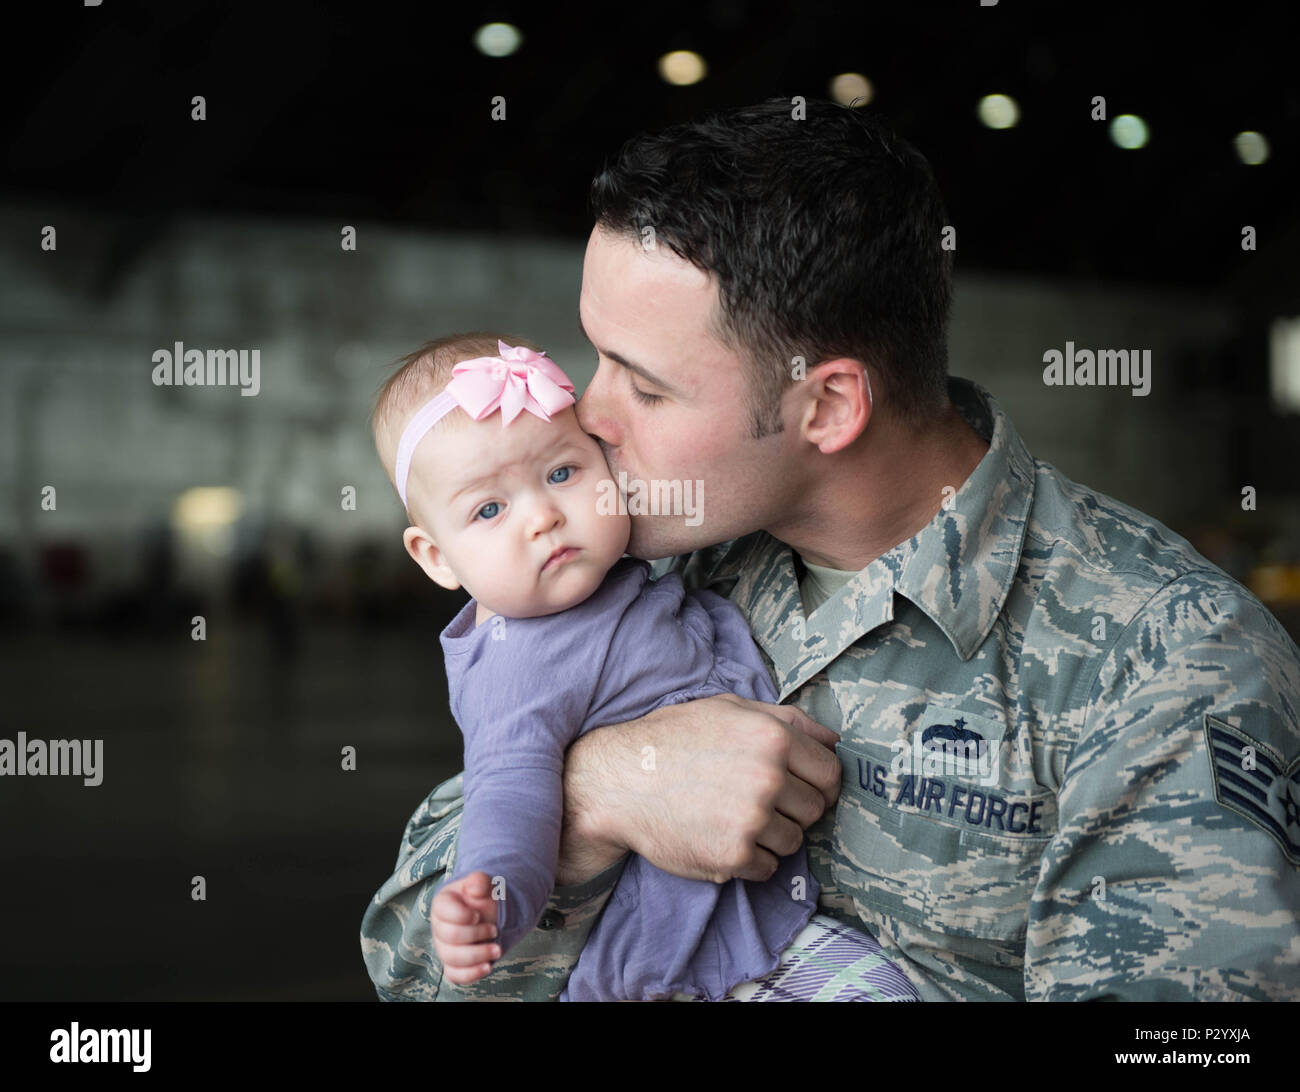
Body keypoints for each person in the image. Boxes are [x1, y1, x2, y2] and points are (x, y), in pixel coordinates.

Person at [361, 98, 1300, 1001]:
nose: (587, 417)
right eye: (593, 357)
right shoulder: (646, 557)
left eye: (644, 388)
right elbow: (412, 965)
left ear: (829, 407)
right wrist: (601, 799)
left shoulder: (1168, 662)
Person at [362, 332, 920, 1001]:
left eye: (562, 473)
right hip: (676, 960)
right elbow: (509, 796)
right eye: (489, 509)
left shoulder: (638, 564)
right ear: (436, 558)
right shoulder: (514, 665)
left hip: (751, 919)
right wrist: (490, 901)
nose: (543, 516)